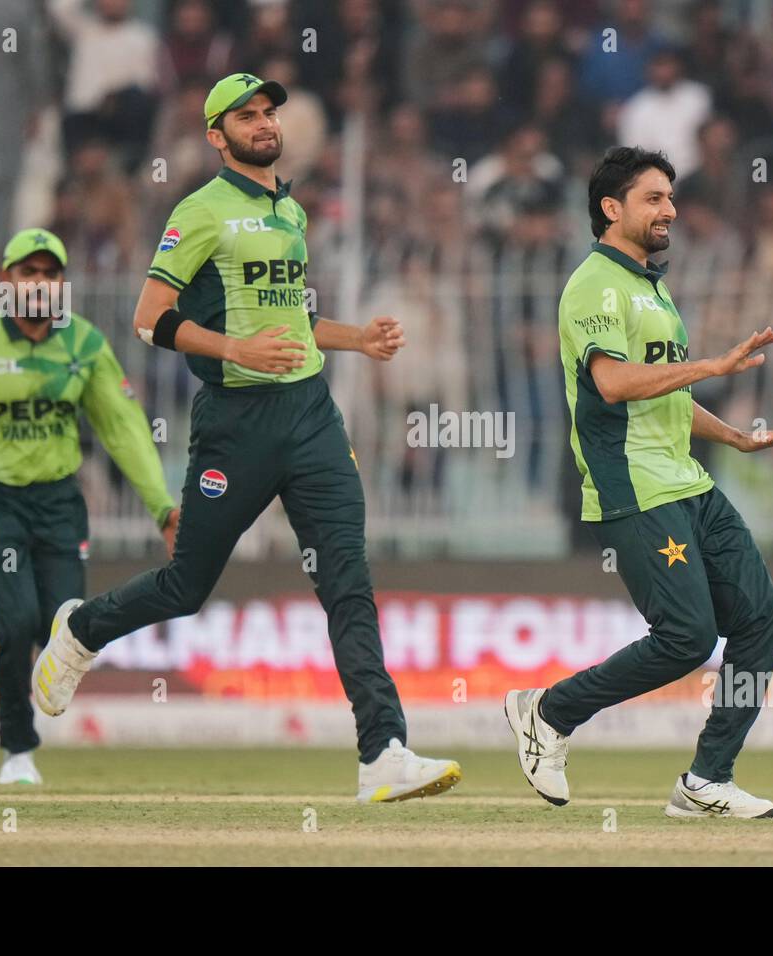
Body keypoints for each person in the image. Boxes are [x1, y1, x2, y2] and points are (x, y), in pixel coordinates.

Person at [31, 73, 462, 804]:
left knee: (347, 583)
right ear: (215, 135)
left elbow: (291, 318)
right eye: (248, 115)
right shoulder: (200, 211)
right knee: (187, 586)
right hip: (236, 423)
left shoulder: (288, 212)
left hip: (310, 416)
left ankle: (382, 752)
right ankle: (82, 631)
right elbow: (148, 317)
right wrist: (235, 350)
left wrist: (355, 338)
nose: (265, 123)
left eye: (269, 113)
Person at [505, 146, 773, 818]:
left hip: (687, 481)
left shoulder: (651, 287)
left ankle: (705, 780)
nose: (669, 209)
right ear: (612, 209)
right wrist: (711, 366)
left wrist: (734, 436)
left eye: (671, 197)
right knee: (687, 636)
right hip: (634, 486)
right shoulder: (594, 285)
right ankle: (548, 712)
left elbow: (658, 393)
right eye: (653, 197)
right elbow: (613, 384)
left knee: (760, 621)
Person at [0, 228, 179, 785]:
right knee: (17, 625)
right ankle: (18, 751)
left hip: (59, 502)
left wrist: (162, 508)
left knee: (60, 630)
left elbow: (124, 428)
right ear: (7, 280)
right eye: (27, 272)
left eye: (49, 273)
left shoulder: (83, 345)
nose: (39, 283)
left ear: (63, 283)